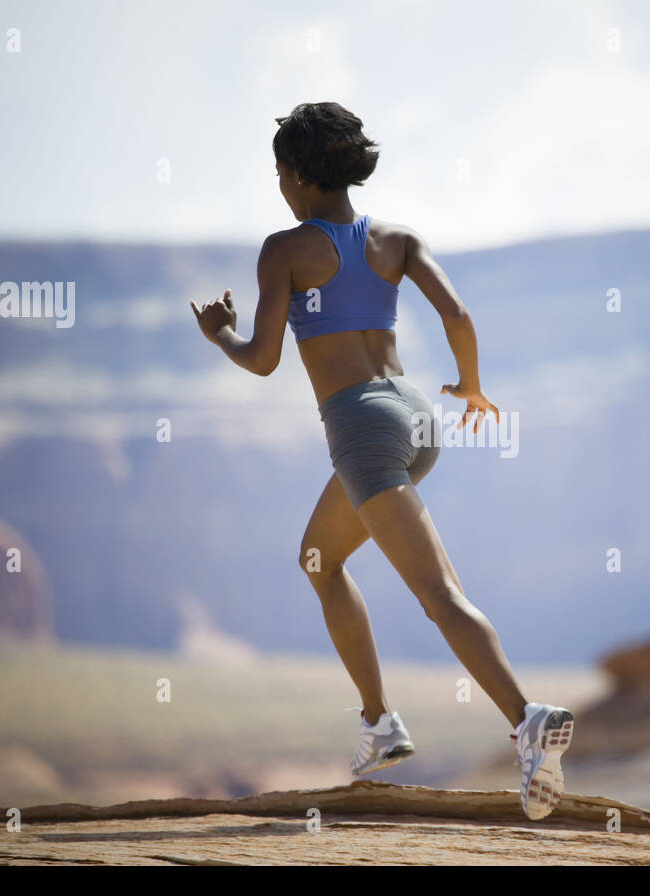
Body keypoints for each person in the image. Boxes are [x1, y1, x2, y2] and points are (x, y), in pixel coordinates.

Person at [189, 102, 572, 820]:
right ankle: (380, 723)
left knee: (440, 596)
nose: (277, 184)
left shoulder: (286, 250)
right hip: (418, 415)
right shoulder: (396, 239)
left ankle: (530, 722)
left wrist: (222, 334)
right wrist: (473, 385)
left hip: (363, 427)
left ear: (300, 176)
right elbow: (457, 315)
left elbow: (265, 360)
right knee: (317, 557)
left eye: (279, 171)